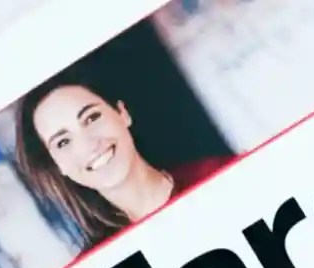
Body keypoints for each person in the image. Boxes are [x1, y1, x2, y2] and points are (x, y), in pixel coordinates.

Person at [14, 67, 234, 247]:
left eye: (91, 118)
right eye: (63, 142)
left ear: (122, 113)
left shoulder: (222, 177)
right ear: (57, 164)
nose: (90, 145)